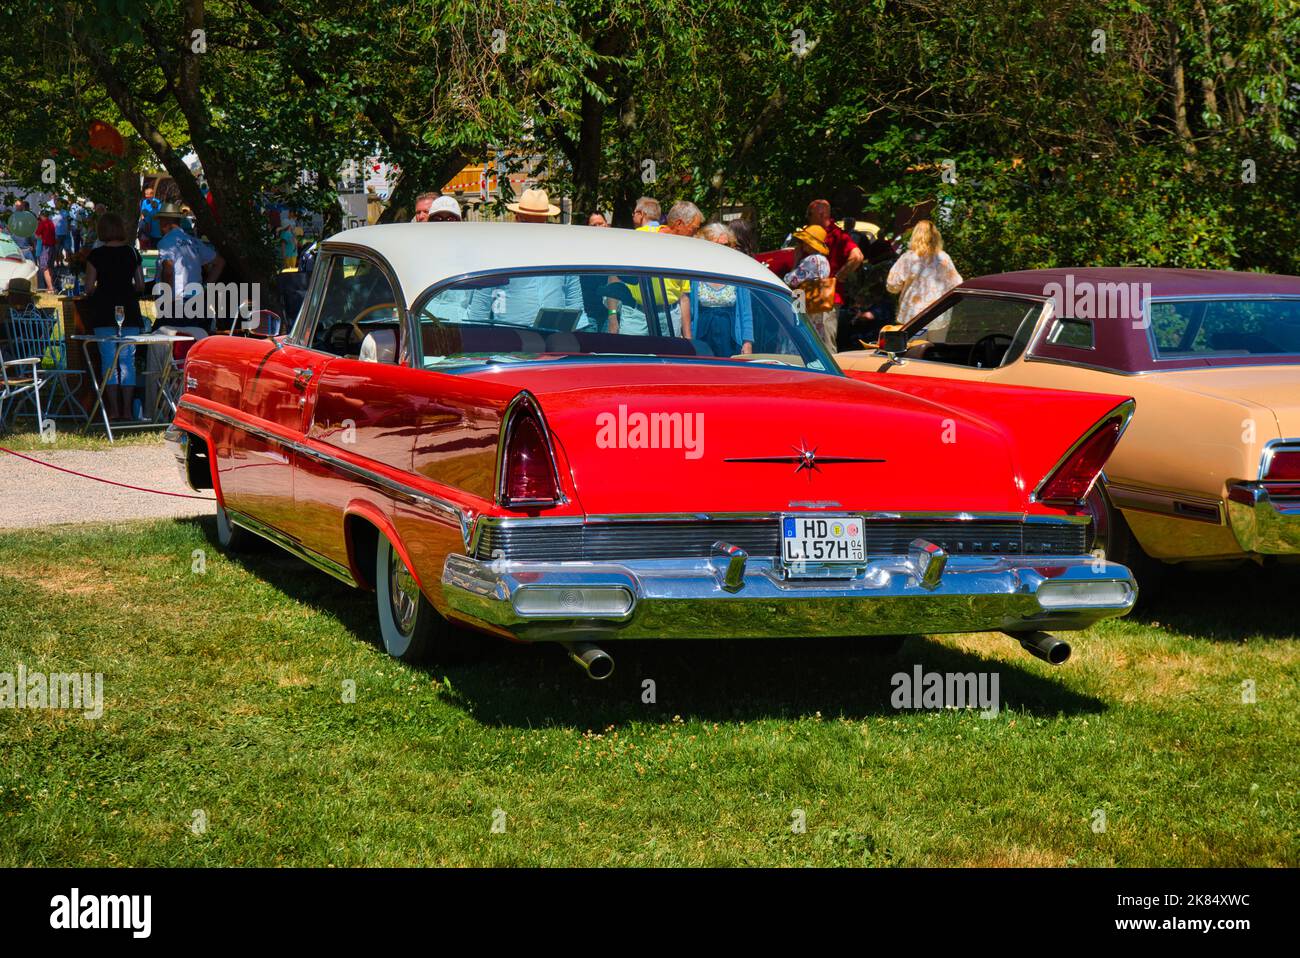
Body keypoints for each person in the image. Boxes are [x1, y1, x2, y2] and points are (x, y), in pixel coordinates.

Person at [465, 189, 583, 326]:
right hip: (511, 338)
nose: (534, 229)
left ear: (546, 221)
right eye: (529, 223)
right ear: (517, 218)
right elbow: (481, 305)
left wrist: (575, 337)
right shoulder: (498, 253)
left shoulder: (562, 254)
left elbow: (574, 301)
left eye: (540, 224)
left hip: (555, 337)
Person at [82, 213, 145, 421]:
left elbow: (89, 287)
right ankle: (128, 411)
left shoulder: (96, 255)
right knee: (128, 360)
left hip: (104, 310)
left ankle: (113, 410)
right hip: (129, 307)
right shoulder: (132, 253)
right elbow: (141, 285)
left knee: (109, 361)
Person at [684, 223, 753, 357]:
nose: (723, 249)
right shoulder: (695, 272)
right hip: (702, 335)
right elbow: (687, 308)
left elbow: (746, 312)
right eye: (717, 245)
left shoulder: (738, 271)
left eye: (726, 245)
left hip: (731, 337)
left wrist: (747, 342)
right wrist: (688, 338)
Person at [155, 203, 223, 327]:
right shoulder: (194, 241)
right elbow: (219, 262)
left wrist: (167, 301)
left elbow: (168, 271)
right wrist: (205, 287)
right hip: (196, 300)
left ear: (164, 222)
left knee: (167, 340)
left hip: (176, 302)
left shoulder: (166, 243)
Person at [886, 219, 962, 326]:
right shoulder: (943, 258)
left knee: (913, 343)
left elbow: (892, 285)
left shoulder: (908, 258)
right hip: (938, 315)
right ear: (936, 237)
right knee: (936, 343)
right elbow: (956, 284)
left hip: (911, 315)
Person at [783, 224, 836, 352]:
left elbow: (791, 280)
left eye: (805, 242)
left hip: (803, 302)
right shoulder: (824, 260)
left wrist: (795, 262)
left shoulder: (811, 260)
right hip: (817, 305)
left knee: (800, 334)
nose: (802, 245)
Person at [806, 199, 863, 310]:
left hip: (824, 297)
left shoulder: (837, 235)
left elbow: (857, 256)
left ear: (821, 214)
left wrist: (838, 277)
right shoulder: (816, 233)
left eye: (809, 214)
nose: (808, 218)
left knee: (822, 327)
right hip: (811, 295)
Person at [34, 210, 56, 291]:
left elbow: (36, 235)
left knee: (44, 268)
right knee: (50, 267)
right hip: (52, 247)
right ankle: (51, 286)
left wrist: (39, 238)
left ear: (41, 216)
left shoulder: (42, 223)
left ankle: (50, 288)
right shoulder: (51, 223)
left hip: (45, 247)